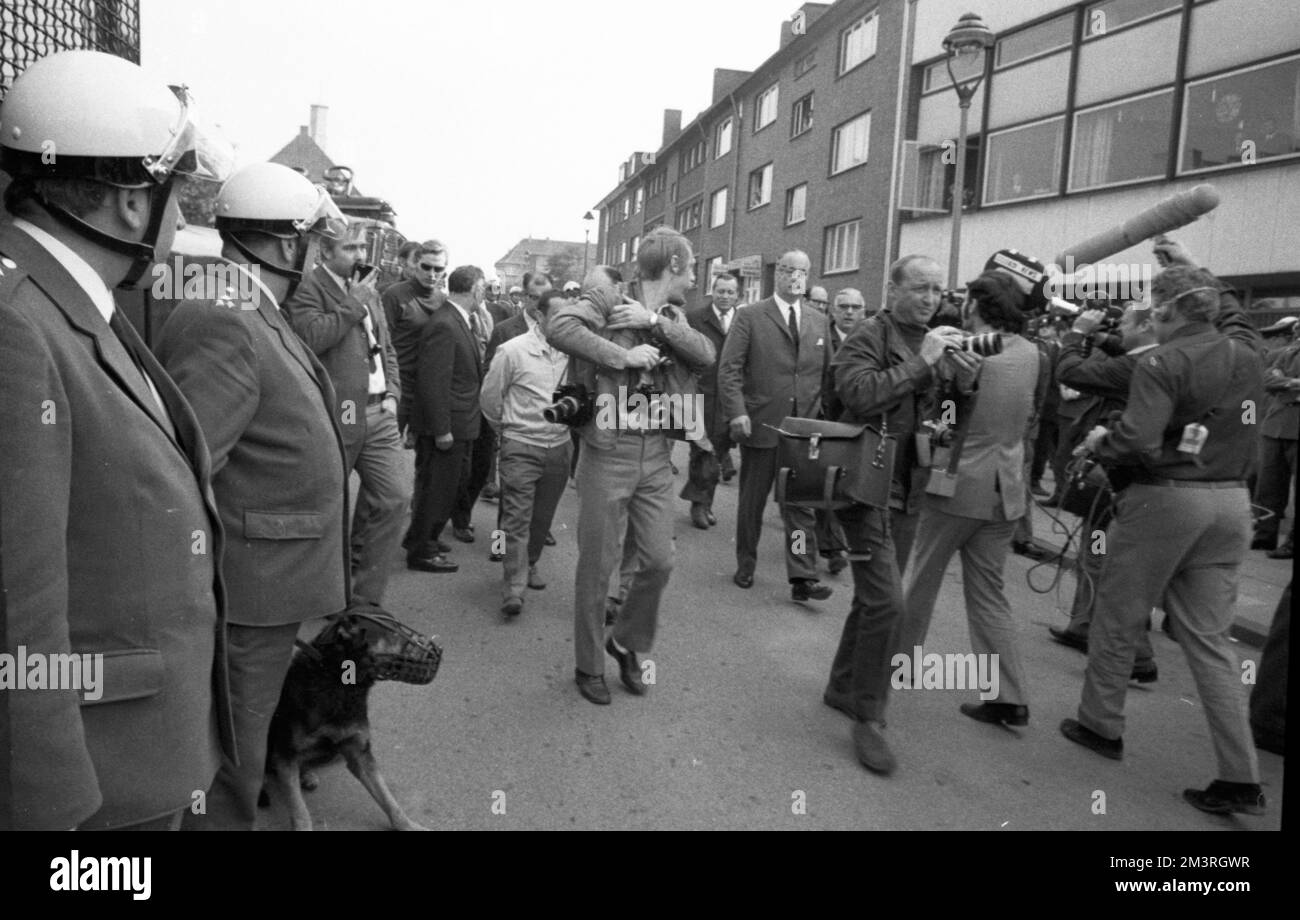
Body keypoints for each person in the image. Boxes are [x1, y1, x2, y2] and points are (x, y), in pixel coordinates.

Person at [0, 49, 234, 830]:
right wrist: (50, 811)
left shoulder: (73, 299)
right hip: (95, 783)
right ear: (132, 202)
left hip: (137, 746)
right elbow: (16, 605)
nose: (183, 220)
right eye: (177, 197)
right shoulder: (16, 323)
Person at [152, 162, 349, 830]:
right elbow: (186, 472)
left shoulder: (251, 307)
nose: (315, 255)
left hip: (269, 585)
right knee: (232, 759)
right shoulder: (224, 315)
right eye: (311, 241)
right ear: (285, 244)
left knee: (247, 739)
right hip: (248, 590)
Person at [1060, 266, 1267, 818]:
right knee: (1211, 643)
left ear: (1173, 310)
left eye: (1156, 306)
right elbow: (1238, 321)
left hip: (1166, 500)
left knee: (1119, 614)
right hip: (1231, 504)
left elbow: (1138, 437)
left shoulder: (1160, 361)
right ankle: (1239, 775)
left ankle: (1101, 724)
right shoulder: (1249, 354)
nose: (1151, 314)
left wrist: (1104, 439)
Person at [547, 227, 715, 705]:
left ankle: (624, 641)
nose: (695, 277)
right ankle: (589, 665)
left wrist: (654, 324)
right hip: (609, 448)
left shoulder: (672, 315)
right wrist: (623, 352)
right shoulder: (606, 297)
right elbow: (560, 328)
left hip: (658, 452)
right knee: (598, 567)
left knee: (659, 560)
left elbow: (706, 356)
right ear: (676, 265)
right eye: (693, 267)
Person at [827, 254, 968, 773]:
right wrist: (922, 364)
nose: (931, 299)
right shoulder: (868, 335)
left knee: (873, 600)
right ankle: (869, 716)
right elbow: (858, 394)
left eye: (938, 290)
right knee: (888, 603)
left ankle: (842, 687)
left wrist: (958, 384)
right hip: (866, 486)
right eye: (921, 288)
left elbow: (945, 413)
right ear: (893, 288)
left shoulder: (935, 339)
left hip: (911, 487)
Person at [894, 272, 1040, 730]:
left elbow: (946, 417)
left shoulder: (966, 355)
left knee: (921, 578)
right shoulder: (1032, 353)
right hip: (1006, 487)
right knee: (989, 593)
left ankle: (899, 665)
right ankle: (1007, 695)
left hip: (957, 483)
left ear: (977, 307)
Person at [284, 220, 407, 605]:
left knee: (395, 498)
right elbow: (311, 338)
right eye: (350, 248)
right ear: (325, 252)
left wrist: (393, 394)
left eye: (361, 247)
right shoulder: (307, 288)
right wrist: (352, 303)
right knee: (328, 507)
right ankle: (324, 594)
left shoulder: (368, 290)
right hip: (340, 411)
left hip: (379, 411)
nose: (360, 255)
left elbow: (386, 347)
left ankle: (365, 601)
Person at [1048, 301, 1161, 683]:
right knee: (1093, 549)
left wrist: (1077, 334)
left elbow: (1071, 370)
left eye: (1125, 322)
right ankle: (1082, 624)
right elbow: (1121, 349)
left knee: (1110, 562)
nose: (1118, 328)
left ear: (1146, 326)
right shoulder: (1154, 356)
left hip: (1118, 476)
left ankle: (1138, 655)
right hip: (1118, 473)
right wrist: (1100, 337)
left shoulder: (1137, 366)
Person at [717, 249, 835, 601]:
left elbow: (826, 375)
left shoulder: (817, 320)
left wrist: (824, 422)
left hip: (803, 431)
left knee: (800, 507)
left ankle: (802, 574)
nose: (795, 276)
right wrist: (737, 411)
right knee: (752, 504)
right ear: (776, 275)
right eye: (787, 270)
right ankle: (746, 562)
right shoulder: (751, 316)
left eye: (802, 270)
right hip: (762, 425)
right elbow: (729, 369)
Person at [481, 289, 572, 616]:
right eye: (559, 318)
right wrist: (508, 433)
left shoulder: (575, 355)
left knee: (542, 519)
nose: (565, 324)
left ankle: (529, 564)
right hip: (521, 445)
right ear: (541, 316)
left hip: (560, 448)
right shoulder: (512, 351)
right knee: (516, 519)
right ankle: (513, 586)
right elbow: (490, 398)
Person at [405, 266, 491, 573]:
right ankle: (422, 550)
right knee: (437, 489)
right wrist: (442, 430)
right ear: (474, 289)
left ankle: (424, 538)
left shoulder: (455, 319)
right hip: (448, 427)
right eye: (483, 287)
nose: (485, 293)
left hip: (460, 424)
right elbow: (433, 382)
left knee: (445, 487)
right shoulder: (445, 323)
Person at [680, 271, 740, 530]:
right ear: (712, 292)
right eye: (720, 291)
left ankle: (706, 502)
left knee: (719, 451)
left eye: (730, 292)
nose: (725, 296)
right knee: (701, 452)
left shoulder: (743, 320)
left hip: (728, 398)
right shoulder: (695, 318)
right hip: (701, 396)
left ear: (737, 295)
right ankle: (698, 505)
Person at [1253, 316, 1299, 558]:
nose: (1271, 342)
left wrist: (1284, 383)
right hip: (1272, 425)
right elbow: (1263, 384)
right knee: (1267, 486)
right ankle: (1264, 535)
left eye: (1274, 337)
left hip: (1283, 425)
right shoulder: (1282, 355)